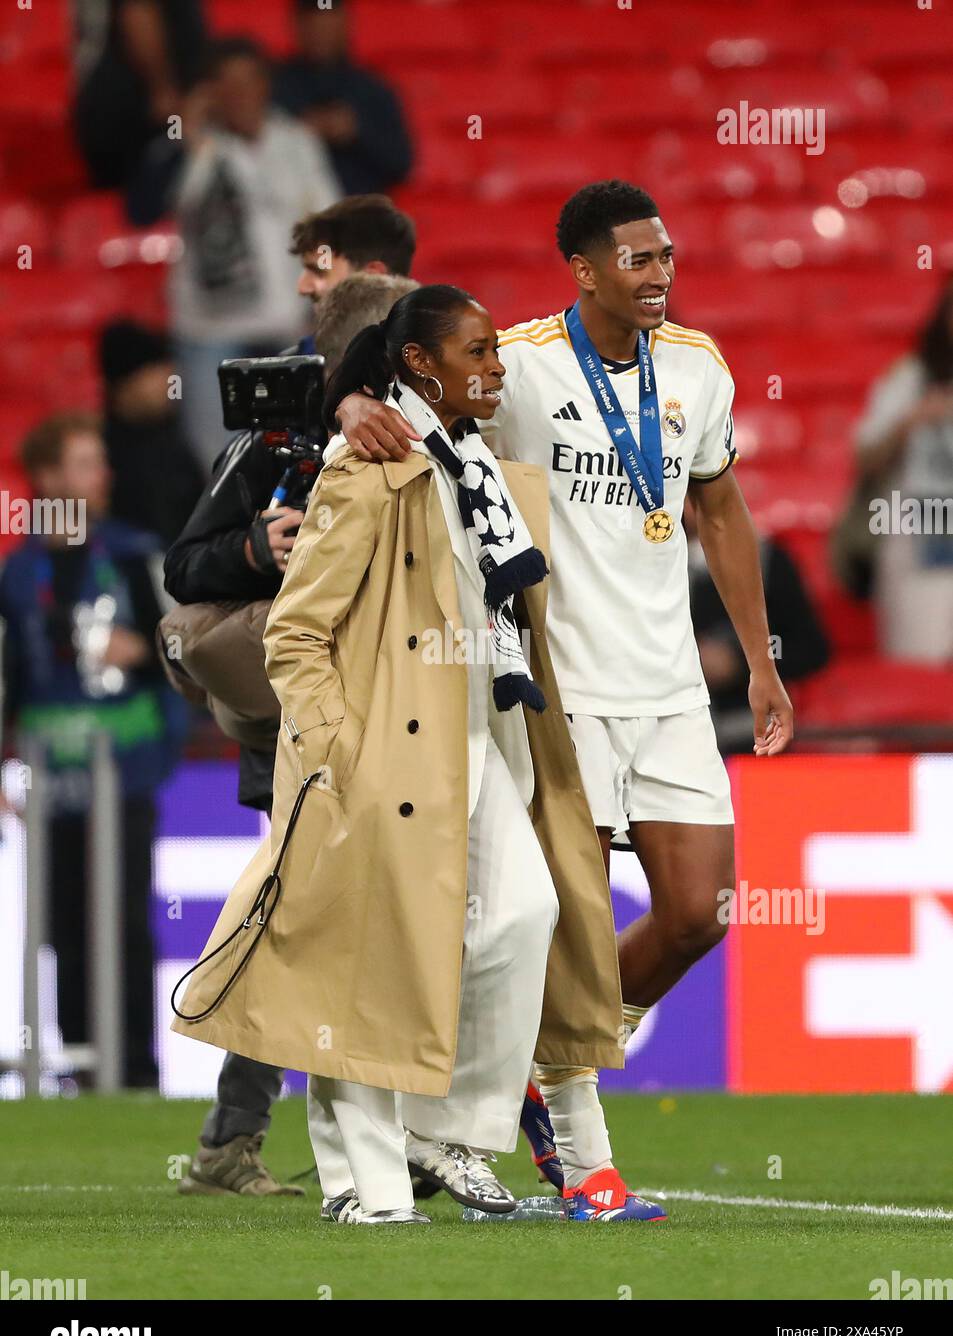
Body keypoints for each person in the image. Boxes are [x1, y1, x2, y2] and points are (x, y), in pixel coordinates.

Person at [336, 181, 794, 1217]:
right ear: (583, 271)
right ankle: (583, 1154)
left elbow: (717, 508)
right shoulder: (526, 365)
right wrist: (347, 403)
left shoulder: (698, 367)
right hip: (556, 687)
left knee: (696, 910)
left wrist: (758, 659)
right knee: (570, 928)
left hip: (669, 682)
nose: (659, 274)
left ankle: (550, 1055)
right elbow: (418, 391)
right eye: (636, 259)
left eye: (665, 256)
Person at [171, 286, 634, 1224]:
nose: (495, 366)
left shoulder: (477, 465)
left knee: (522, 916)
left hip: (479, 740)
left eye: (497, 350)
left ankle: (447, 1134)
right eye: (477, 351)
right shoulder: (364, 467)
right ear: (421, 364)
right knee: (362, 970)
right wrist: (337, 746)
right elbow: (296, 632)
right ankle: (362, 1190)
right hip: (383, 751)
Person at [166, 202, 417, 1197]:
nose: (302, 289)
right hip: (309, 719)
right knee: (307, 914)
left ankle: (253, 1139)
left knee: (315, 916)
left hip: (410, 706)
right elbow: (189, 563)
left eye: (315, 272)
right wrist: (252, 549)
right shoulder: (286, 412)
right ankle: (347, 1146)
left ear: (365, 276)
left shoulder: (451, 398)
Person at [0, 413, 187, 1088]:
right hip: (51, 776)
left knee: (124, 922)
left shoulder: (135, 554)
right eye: (82, 464)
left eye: (97, 463)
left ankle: (134, 1075)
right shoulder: (18, 572)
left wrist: (145, 654)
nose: (98, 476)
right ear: (47, 478)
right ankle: (78, 1069)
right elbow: (10, 678)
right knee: (63, 930)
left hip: (123, 769)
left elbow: (186, 645)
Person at [128, 36, 342, 463]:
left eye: (248, 81)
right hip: (209, 328)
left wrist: (325, 297)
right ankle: (230, 531)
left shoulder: (295, 142)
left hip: (285, 320)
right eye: (226, 84)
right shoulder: (193, 145)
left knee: (300, 450)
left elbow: (329, 228)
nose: (239, 93)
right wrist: (183, 133)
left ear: (266, 85)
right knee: (217, 458)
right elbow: (141, 208)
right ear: (210, 92)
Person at [842, 278, 953, 661]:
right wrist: (912, 421)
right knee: (920, 667)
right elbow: (864, 456)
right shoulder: (911, 378)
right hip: (918, 539)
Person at [685, 500, 829, 753]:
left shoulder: (768, 562)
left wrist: (742, 661)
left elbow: (808, 648)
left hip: (750, 736)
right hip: (675, 733)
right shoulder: (648, 566)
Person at [274, 0, 414, 196]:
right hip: (289, 209)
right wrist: (297, 133)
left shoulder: (374, 90)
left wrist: (356, 131)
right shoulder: (273, 87)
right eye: (314, 24)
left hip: (357, 211)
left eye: (329, 22)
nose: (321, 33)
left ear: (345, 24)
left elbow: (402, 164)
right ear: (297, 25)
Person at [74, 0, 208, 190]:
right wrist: (162, 89)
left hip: (163, 103)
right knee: (164, 180)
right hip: (140, 107)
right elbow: (137, 13)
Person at [99, 318, 205, 548]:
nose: (169, 381)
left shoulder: (177, 441)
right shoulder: (103, 454)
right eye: (154, 373)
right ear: (125, 385)